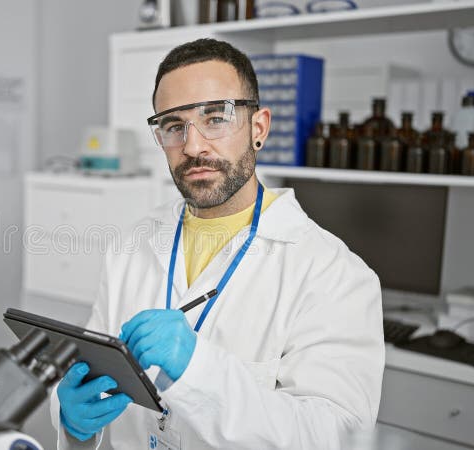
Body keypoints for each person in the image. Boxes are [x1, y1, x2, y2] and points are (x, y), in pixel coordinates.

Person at [49, 38, 384, 449]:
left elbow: (338, 438)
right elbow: (95, 377)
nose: (192, 146)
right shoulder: (131, 245)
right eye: (174, 126)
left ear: (258, 128)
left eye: (215, 118)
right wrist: (75, 421)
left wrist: (201, 370)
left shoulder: (335, 275)